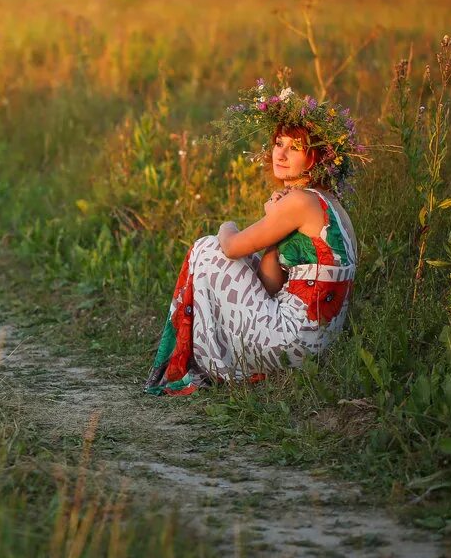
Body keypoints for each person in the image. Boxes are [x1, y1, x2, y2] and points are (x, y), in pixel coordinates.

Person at [144, 82, 364, 395]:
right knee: (246, 258)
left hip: (292, 340)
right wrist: (275, 230)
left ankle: (207, 363)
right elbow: (271, 285)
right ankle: (217, 357)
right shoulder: (329, 203)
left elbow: (231, 246)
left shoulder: (299, 202)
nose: (282, 154)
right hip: (316, 347)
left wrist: (227, 224)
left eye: (294, 148)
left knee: (207, 248)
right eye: (278, 143)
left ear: (314, 159)